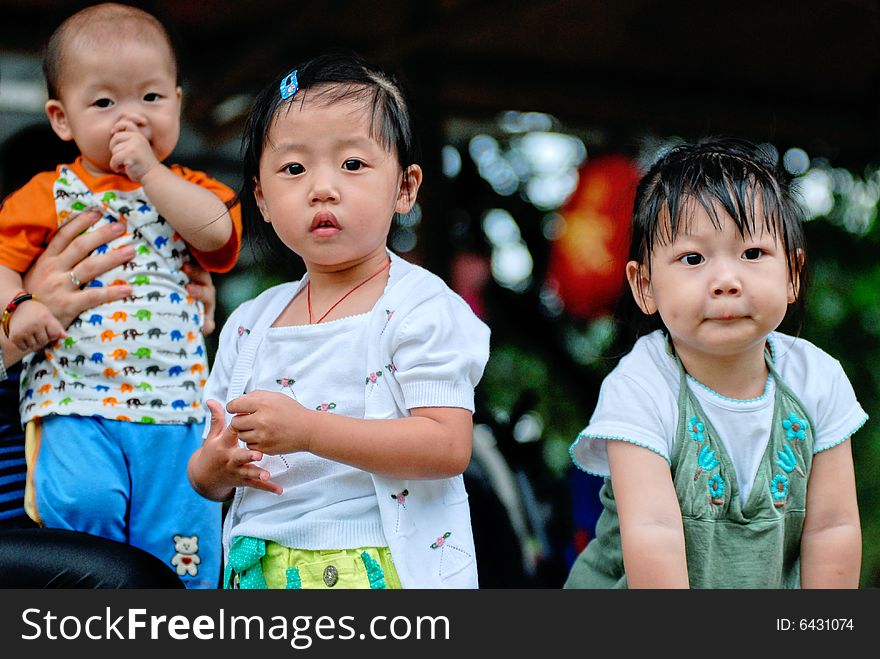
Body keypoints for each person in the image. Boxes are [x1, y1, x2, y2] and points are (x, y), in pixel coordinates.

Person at [187, 53, 491, 589]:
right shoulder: (250, 323)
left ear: (405, 187)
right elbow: (208, 464)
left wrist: (308, 430)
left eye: (352, 164)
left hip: (384, 568)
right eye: (293, 169)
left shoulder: (420, 306)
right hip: (258, 567)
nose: (321, 187)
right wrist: (212, 469)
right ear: (261, 197)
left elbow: (447, 446)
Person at [0, 3, 242, 588]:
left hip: (171, 405)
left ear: (178, 103)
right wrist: (19, 307)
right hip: (77, 399)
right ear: (63, 120)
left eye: (151, 99)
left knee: (179, 549)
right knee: (90, 528)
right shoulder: (47, 192)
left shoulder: (188, 188)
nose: (130, 117)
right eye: (105, 103)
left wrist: (150, 174)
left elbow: (218, 234)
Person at [564, 137, 866, 589]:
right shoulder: (641, 388)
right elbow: (653, 535)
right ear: (644, 285)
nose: (726, 280)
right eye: (693, 258)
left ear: (793, 274)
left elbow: (832, 528)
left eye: (752, 254)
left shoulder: (818, 381)